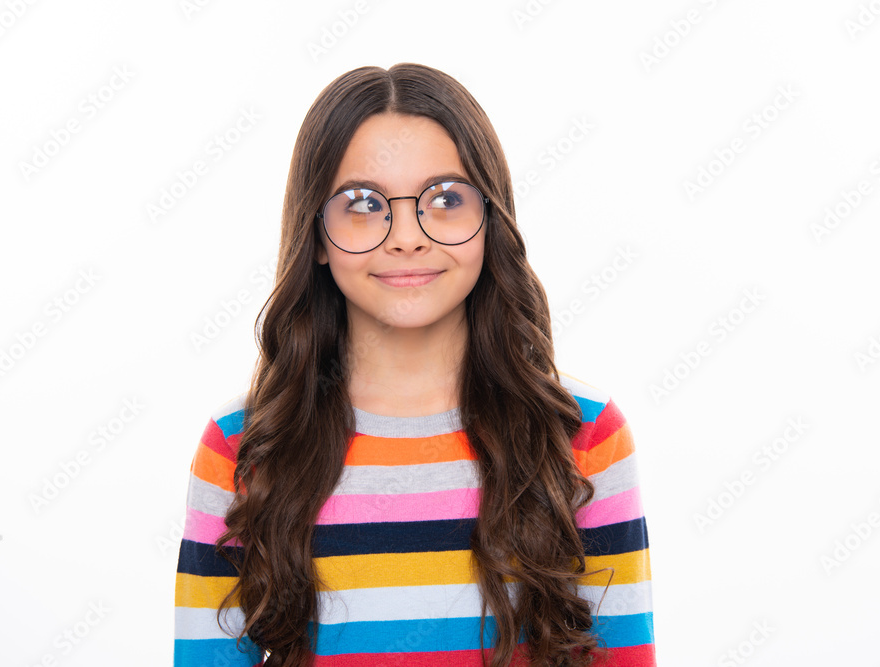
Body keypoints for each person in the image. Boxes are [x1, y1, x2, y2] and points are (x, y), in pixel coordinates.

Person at [173, 63, 656, 667]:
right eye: (363, 204)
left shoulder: (583, 433)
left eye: (446, 199)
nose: (406, 236)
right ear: (317, 236)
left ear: (491, 222)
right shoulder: (242, 445)